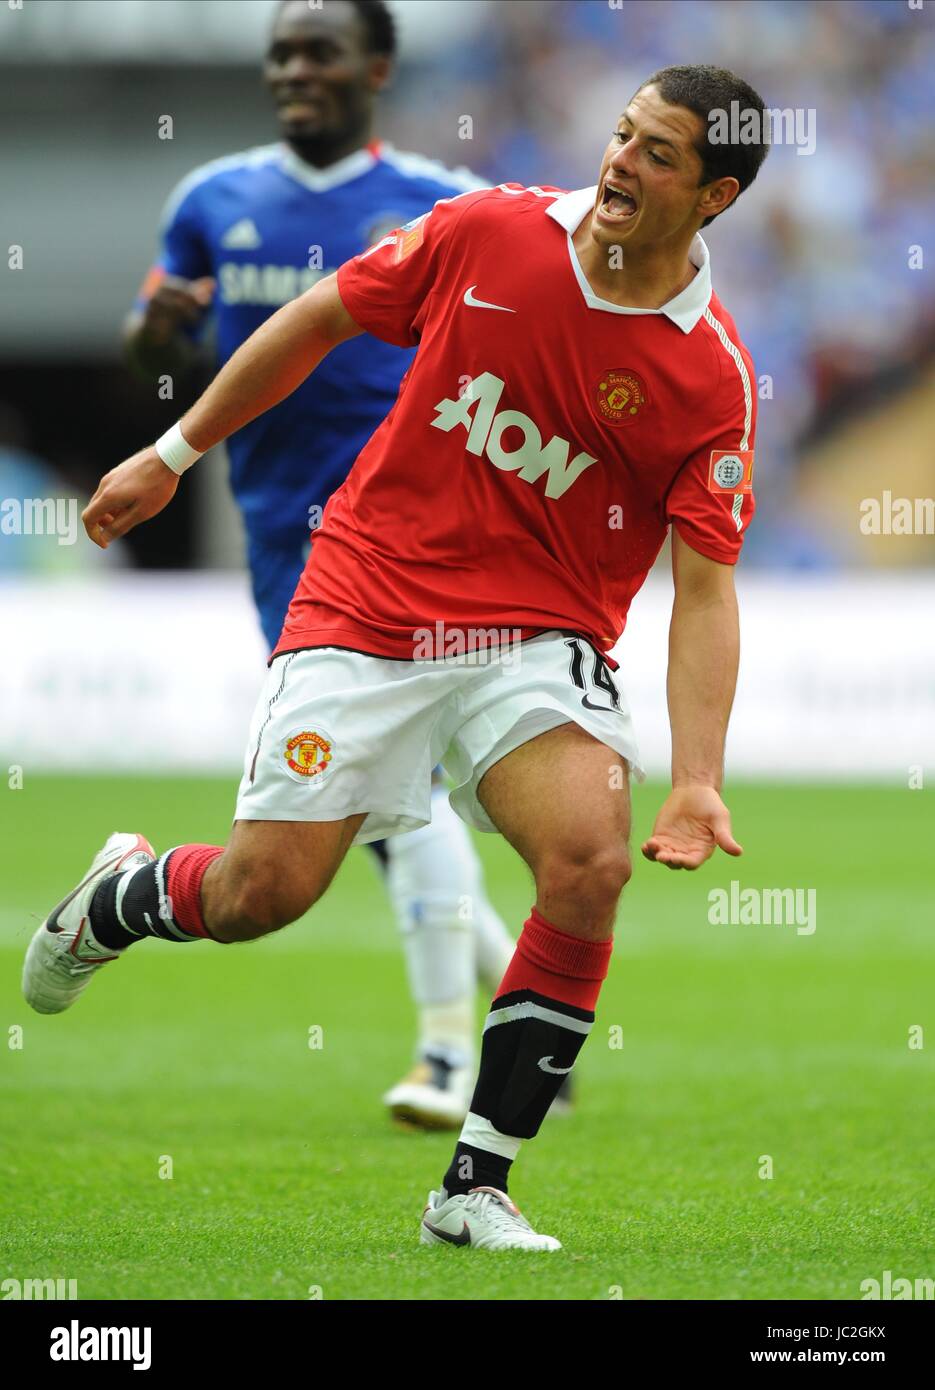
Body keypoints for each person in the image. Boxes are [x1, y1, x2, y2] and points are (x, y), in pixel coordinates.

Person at [25, 64, 768, 1250]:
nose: (620, 162)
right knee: (262, 896)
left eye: (658, 154)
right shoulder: (489, 232)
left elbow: (706, 587)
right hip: (370, 597)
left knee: (587, 861)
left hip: (534, 639)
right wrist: (169, 454)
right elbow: (316, 318)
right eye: (622, 134)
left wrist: (696, 775)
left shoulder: (709, 374)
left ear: (713, 196)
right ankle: (120, 894)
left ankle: (472, 1187)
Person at [123, 0, 519, 1130]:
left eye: (319, 53)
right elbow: (150, 342)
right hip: (278, 536)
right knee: (383, 797)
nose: (294, 71)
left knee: (405, 789)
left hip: (412, 535)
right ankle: (518, 1000)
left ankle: (448, 1054)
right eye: (280, 55)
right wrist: (159, 331)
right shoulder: (210, 198)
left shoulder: (442, 203)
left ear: (376, 69)